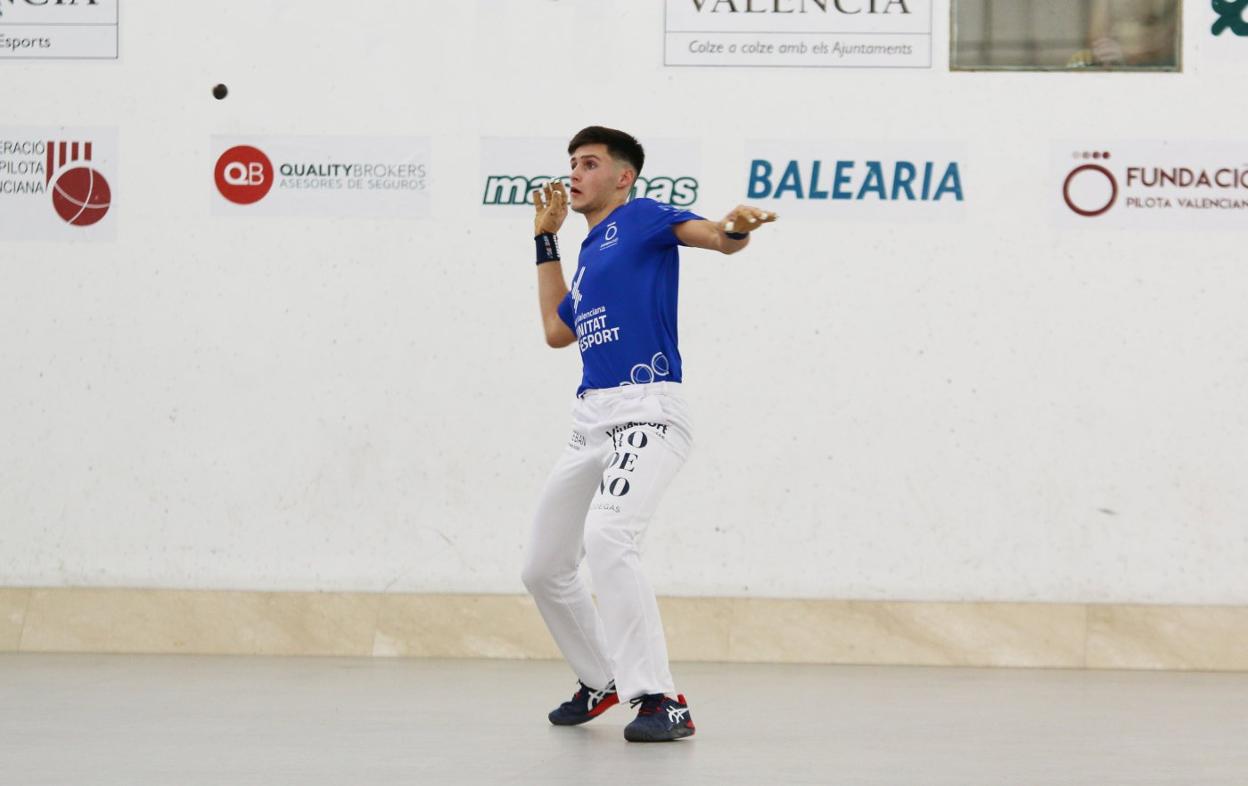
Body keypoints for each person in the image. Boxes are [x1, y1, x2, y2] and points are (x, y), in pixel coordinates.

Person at [521, 126, 775, 743]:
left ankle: (661, 698)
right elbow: (557, 332)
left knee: (609, 536)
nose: (574, 173)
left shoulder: (641, 218)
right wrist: (546, 240)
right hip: (591, 419)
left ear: (623, 177)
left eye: (589, 163)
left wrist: (735, 229)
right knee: (543, 567)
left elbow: (716, 237)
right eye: (571, 163)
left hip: (648, 410)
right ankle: (600, 679)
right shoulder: (590, 254)